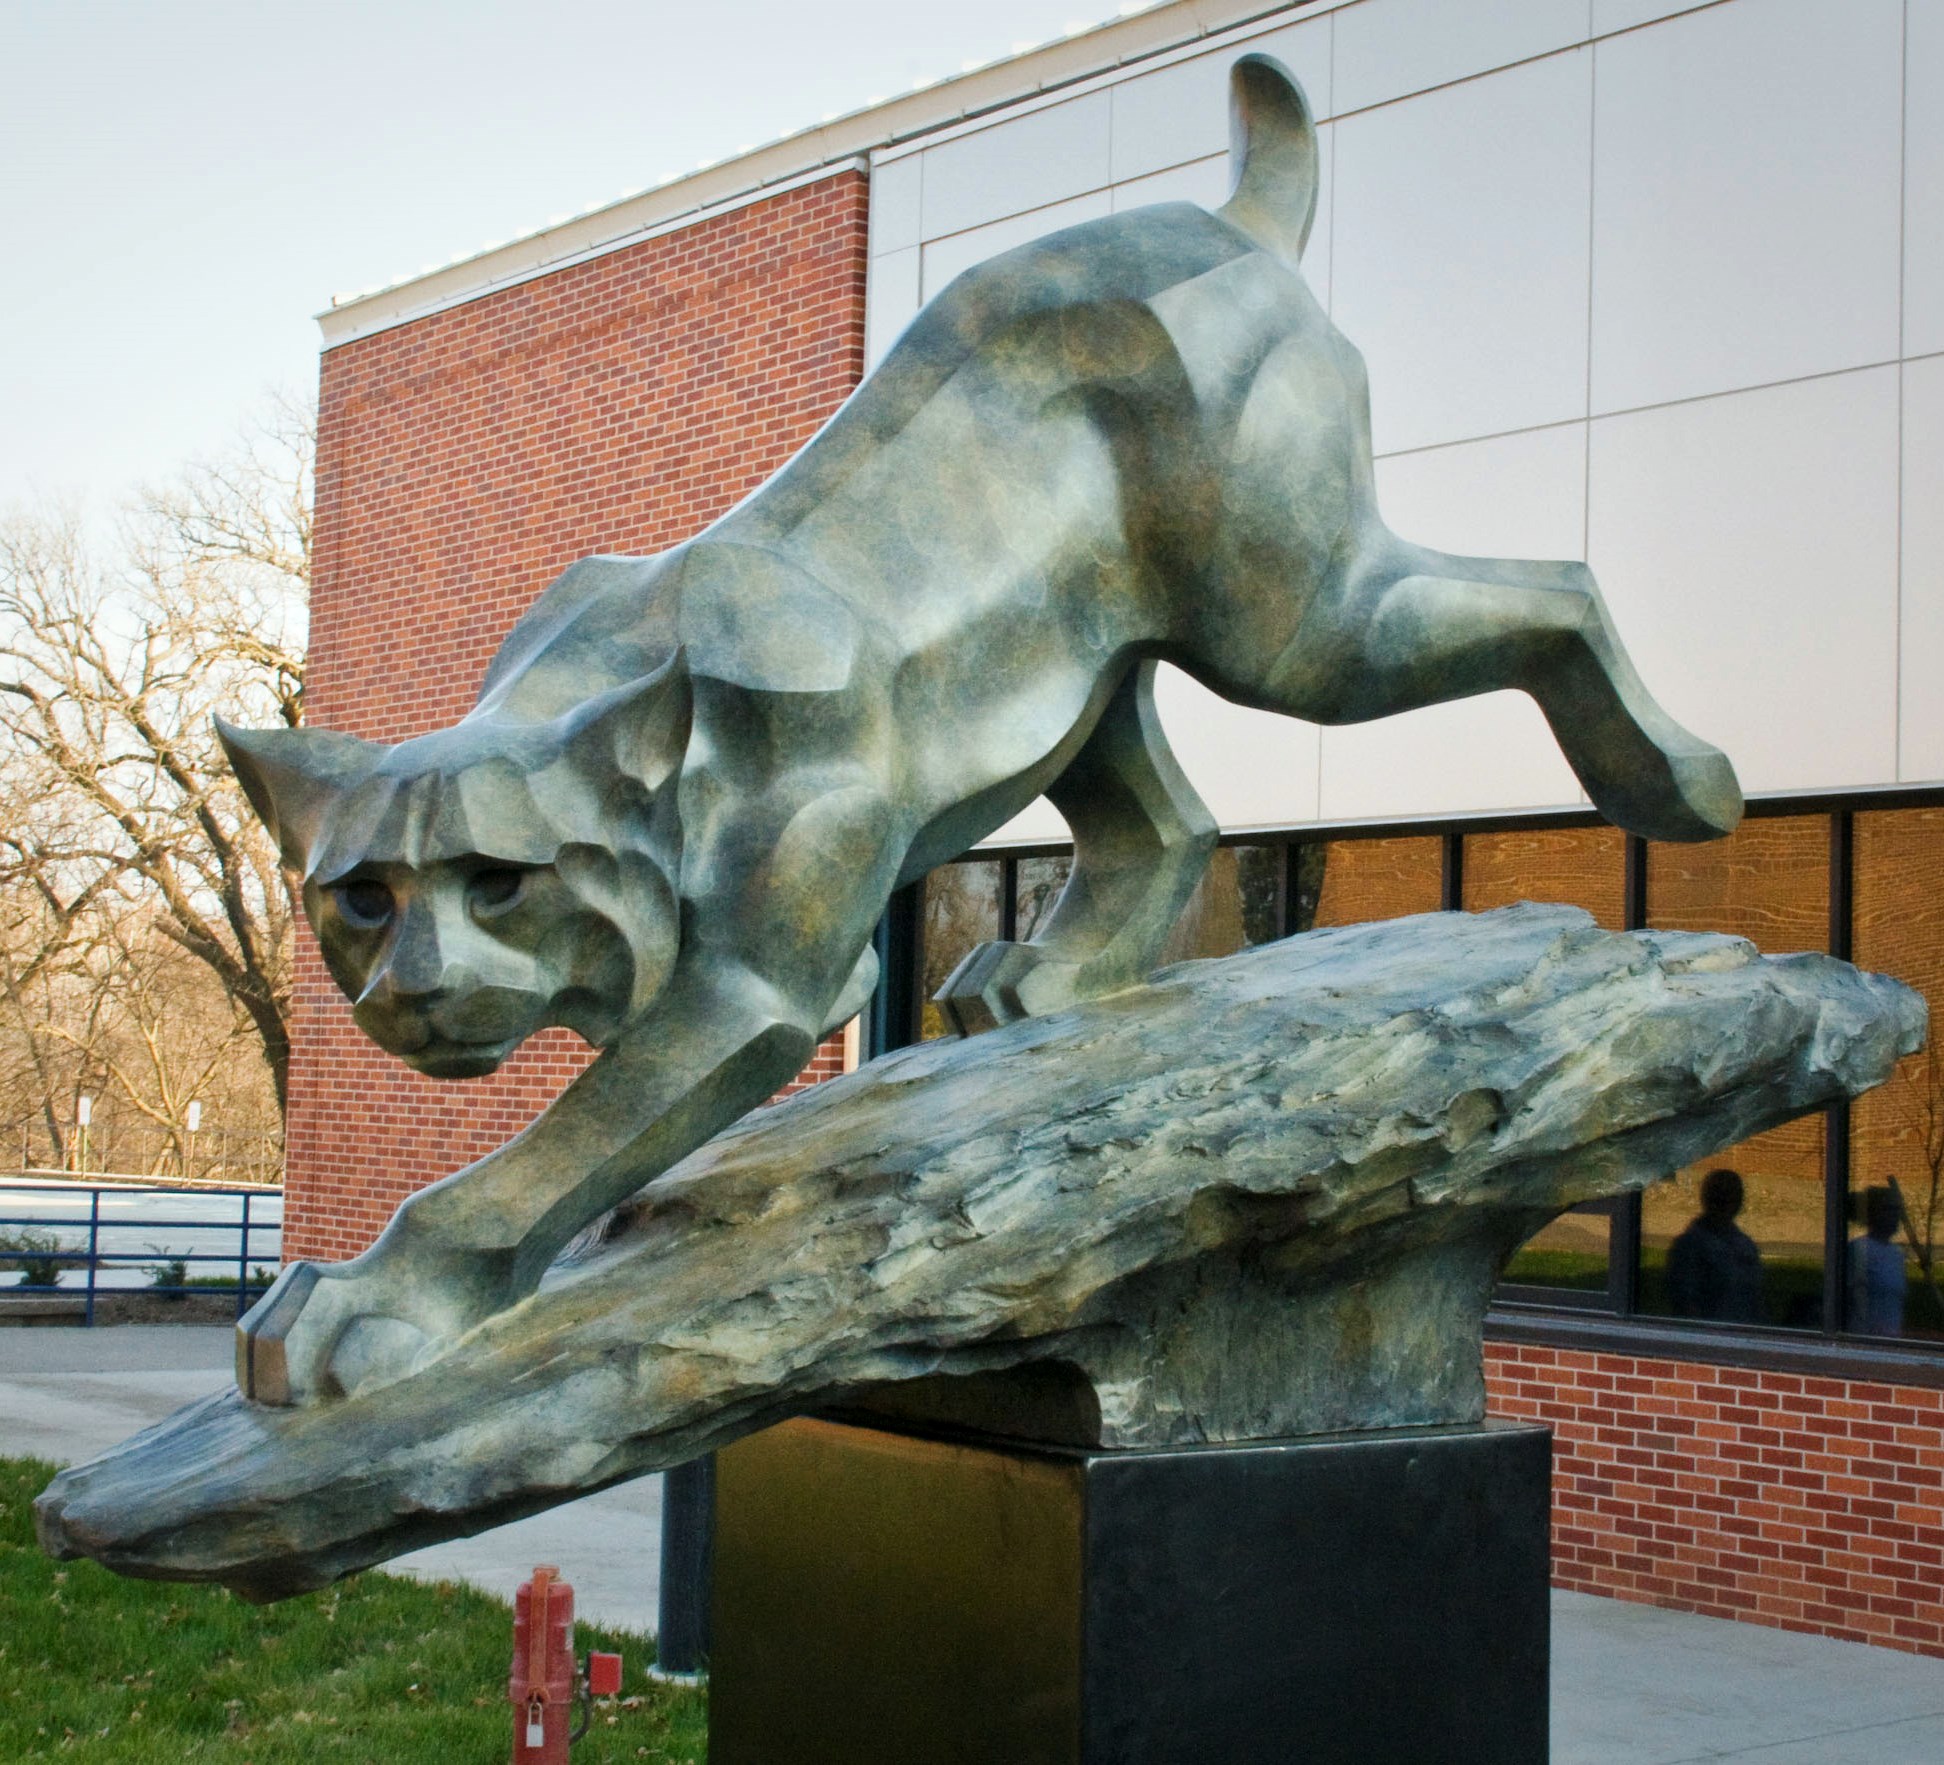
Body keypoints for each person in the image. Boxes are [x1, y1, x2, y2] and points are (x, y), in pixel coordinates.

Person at [1666, 1167, 1764, 1324]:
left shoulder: (1745, 1246)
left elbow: (1756, 1301)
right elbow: (1686, 1305)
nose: (1725, 1201)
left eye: (1732, 1195)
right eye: (1719, 1195)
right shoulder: (1690, 1247)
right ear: (1707, 1199)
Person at [1846, 1183, 1908, 1337]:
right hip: (1864, 1340)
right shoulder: (1859, 1249)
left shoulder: (1896, 1254)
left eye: (1896, 1211)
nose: (1894, 1216)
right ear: (1873, 1213)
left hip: (1892, 1341)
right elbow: (1848, 1298)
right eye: (1888, 1210)